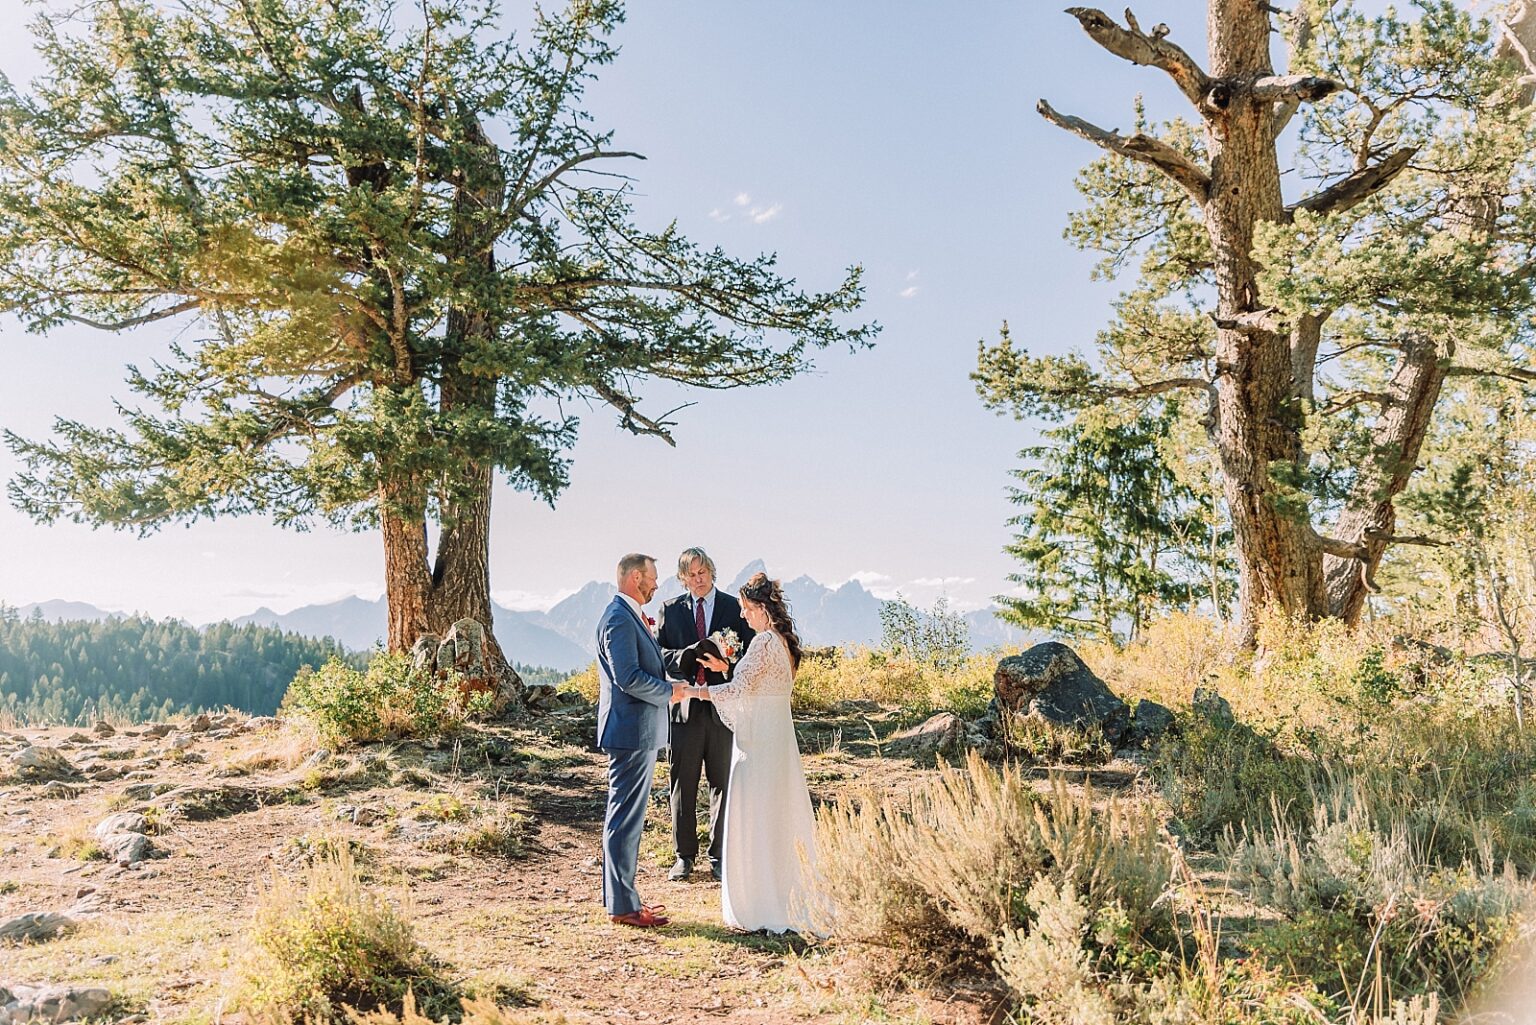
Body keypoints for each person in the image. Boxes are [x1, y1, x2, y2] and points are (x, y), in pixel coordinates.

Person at [681, 572, 826, 934]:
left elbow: (739, 691)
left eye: (746, 608)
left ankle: (760, 901)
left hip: (759, 743)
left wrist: (692, 692)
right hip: (777, 739)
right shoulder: (782, 643)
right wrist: (727, 668)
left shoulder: (762, 643)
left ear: (761, 608)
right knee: (776, 815)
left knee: (756, 813)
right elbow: (761, 684)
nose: (742, 615)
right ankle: (781, 892)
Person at [595, 552, 688, 928]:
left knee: (626, 819)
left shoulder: (627, 615)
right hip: (631, 732)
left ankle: (621, 899)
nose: (656, 584)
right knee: (625, 820)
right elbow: (628, 678)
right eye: (652, 577)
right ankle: (623, 907)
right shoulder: (619, 618)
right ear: (635, 577)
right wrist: (669, 692)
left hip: (636, 731)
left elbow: (644, 666)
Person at [658, 547, 754, 882]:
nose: (698, 580)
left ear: (712, 572)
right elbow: (659, 655)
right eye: (691, 575)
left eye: (702, 573)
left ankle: (720, 856)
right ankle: (683, 857)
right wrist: (685, 656)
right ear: (682, 579)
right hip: (684, 708)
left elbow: (749, 656)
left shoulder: (733, 607)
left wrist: (725, 665)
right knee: (682, 785)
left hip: (723, 708)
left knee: (723, 784)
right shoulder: (670, 610)